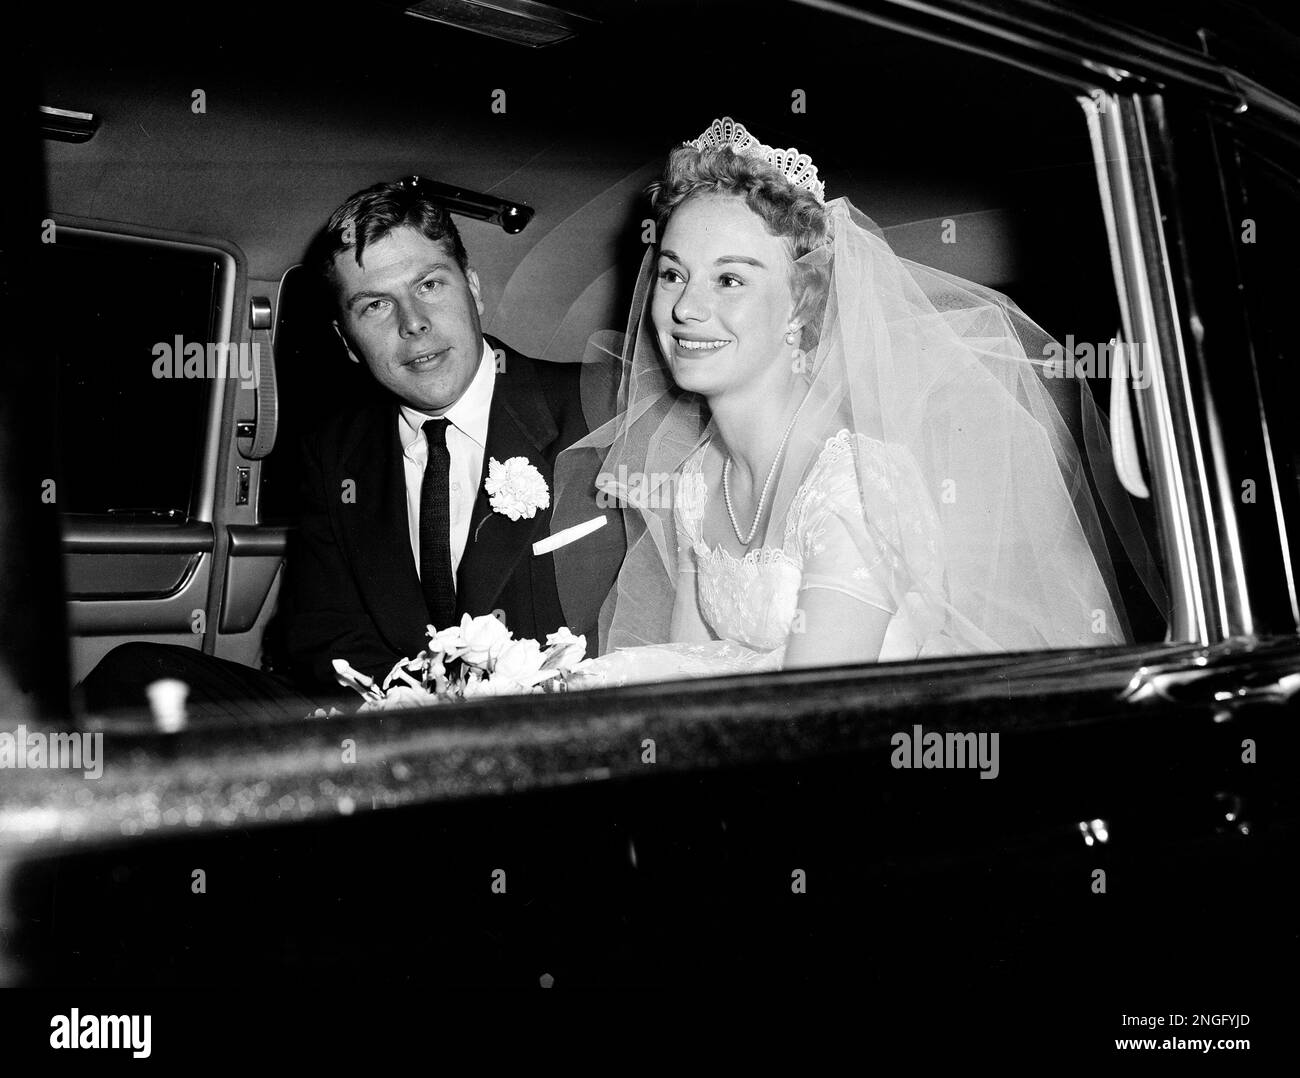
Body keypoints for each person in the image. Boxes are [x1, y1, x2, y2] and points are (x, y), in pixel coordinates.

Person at [552, 118, 1156, 687]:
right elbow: (686, 669)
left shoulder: (855, 485)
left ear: (800, 306)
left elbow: (809, 708)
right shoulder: (695, 479)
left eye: (730, 279)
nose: (686, 308)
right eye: (673, 273)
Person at [80, 177, 617, 721]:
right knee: (135, 676)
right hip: (387, 725)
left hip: (560, 732)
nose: (413, 324)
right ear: (347, 342)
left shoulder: (597, 407)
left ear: (474, 290)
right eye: (376, 305)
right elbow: (322, 630)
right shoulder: (335, 451)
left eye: (429, 285)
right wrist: (407, 711)